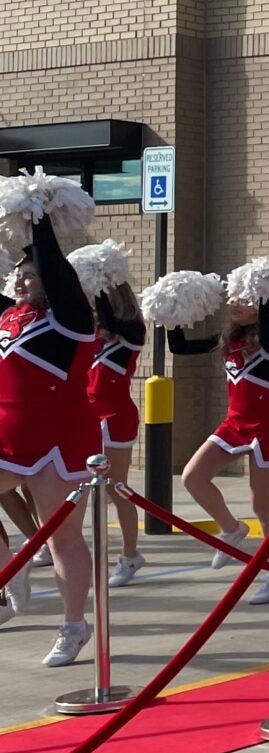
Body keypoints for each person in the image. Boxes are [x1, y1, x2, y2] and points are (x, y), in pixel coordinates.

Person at [0, 219, 101, 665]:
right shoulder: (7, 316)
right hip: (9, 436)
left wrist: (37, 214)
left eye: (32, 274)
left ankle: (74, 625)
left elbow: (56, 268)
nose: (23, 280)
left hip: (59, 440)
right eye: (19, 274)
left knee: (63, 538)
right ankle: (13, 570)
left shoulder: (70, 320)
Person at [173, 288, 269, 606]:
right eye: (234, 299)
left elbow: (267, 326)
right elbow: (180, 347)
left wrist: (262, 289)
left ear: (260, 306)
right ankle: (231, 528)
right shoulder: (228, 339)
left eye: (244, 299)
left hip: (267, 428)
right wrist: (173, 316)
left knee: (263, 506)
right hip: (234, 425)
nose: (234, 304)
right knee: (192, 477)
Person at [86, 278, 148, 586]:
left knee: (115, 487)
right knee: (81, 486)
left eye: (97, 294)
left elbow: (111, 319)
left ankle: (130, 554)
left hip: (115, 417)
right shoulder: (92, 333)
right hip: (86, 415)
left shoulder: (132, 332)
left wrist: (98, 280)